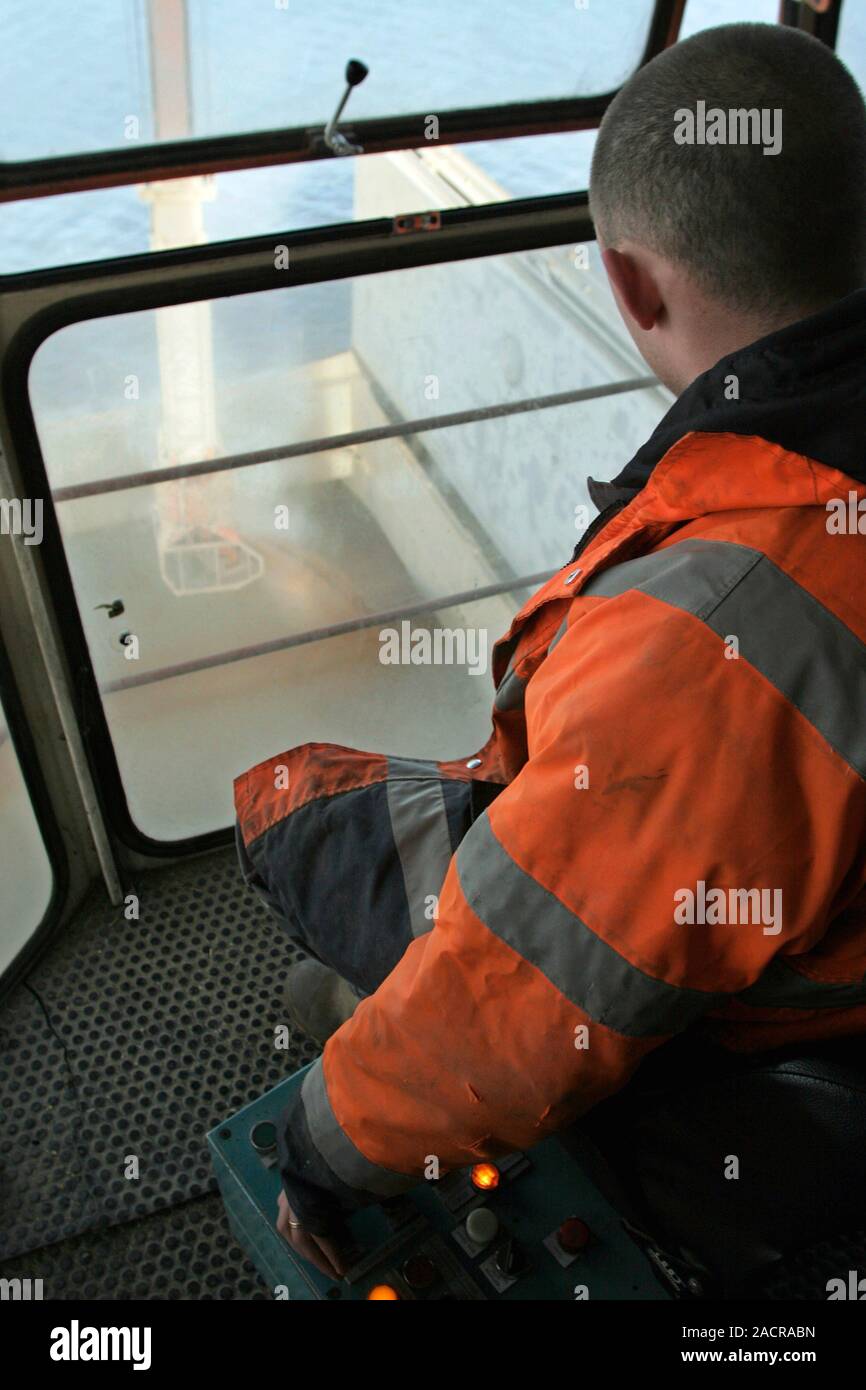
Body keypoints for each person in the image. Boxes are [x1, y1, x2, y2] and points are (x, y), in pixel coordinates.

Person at [234, 21, 866, 1281]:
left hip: (786, 1073)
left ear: (631, 287)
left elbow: (521, 996)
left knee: (295, 815)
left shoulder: (721, 627)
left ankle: (362, 1034)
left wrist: (310, 1148)